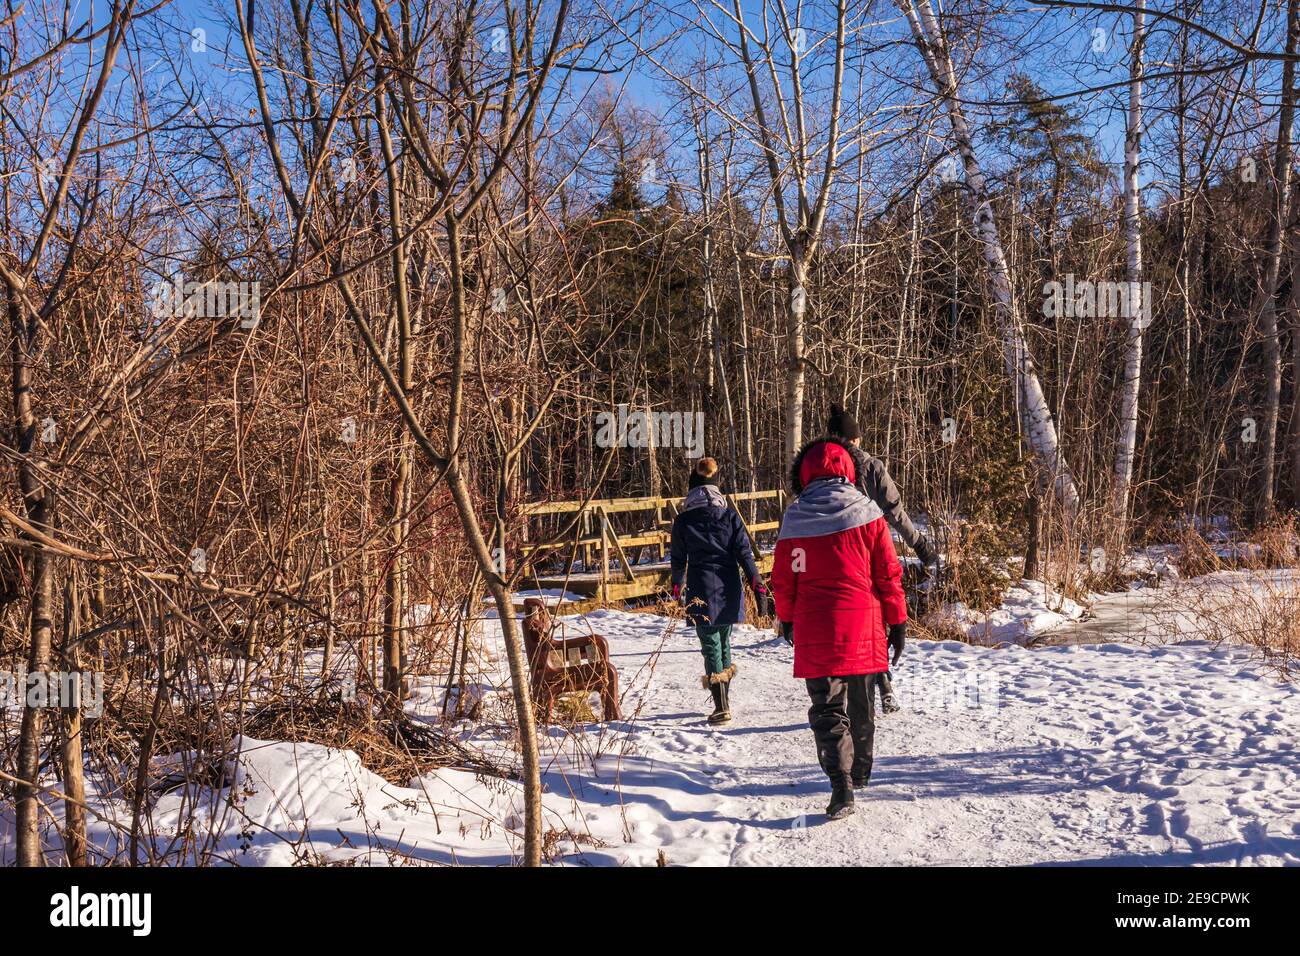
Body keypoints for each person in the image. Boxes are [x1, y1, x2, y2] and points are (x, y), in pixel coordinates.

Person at [771, 439, 908, 820]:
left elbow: (783, 579)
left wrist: (788, 617)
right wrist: (897, 620)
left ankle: (841, 784)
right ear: (848, 471)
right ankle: (861, 766)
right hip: (863, 622)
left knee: (828, 709)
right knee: (862, 702)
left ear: (804, 474)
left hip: (815, 627)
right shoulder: (869, 514)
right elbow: (888, 574)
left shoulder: (795, 518)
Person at [827, 403, 931, 715]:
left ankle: (839, 694)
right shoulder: (872, 466)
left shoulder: (817, 469)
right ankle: (882, 681)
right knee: (874, 618)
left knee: (839, 621)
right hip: (871, 551)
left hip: (832, 556)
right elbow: (895, 511)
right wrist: (919, 544)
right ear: (855, 439)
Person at [670, 457, 767, 724]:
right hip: (729, 587)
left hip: (701, 587)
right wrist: (758, 588)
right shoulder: (730, 517)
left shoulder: (684, 521)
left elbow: (678, 560)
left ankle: (721, 706)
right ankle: (723, 698)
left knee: (711, 645)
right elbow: (745, 555)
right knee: (722, 641)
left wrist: (677, 589)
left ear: (691, 491)